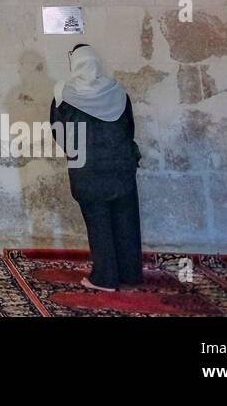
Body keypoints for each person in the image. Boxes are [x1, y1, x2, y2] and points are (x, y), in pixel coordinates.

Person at [51, 43, 143, 291]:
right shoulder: (117, 92)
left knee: (98, 222)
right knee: (126, 219)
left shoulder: (64, 93)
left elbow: (59, 132)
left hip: (88, 169)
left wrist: (77, 153)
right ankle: (129, 274)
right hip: (121, 165)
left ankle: (104, 278)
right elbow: (128, 128)